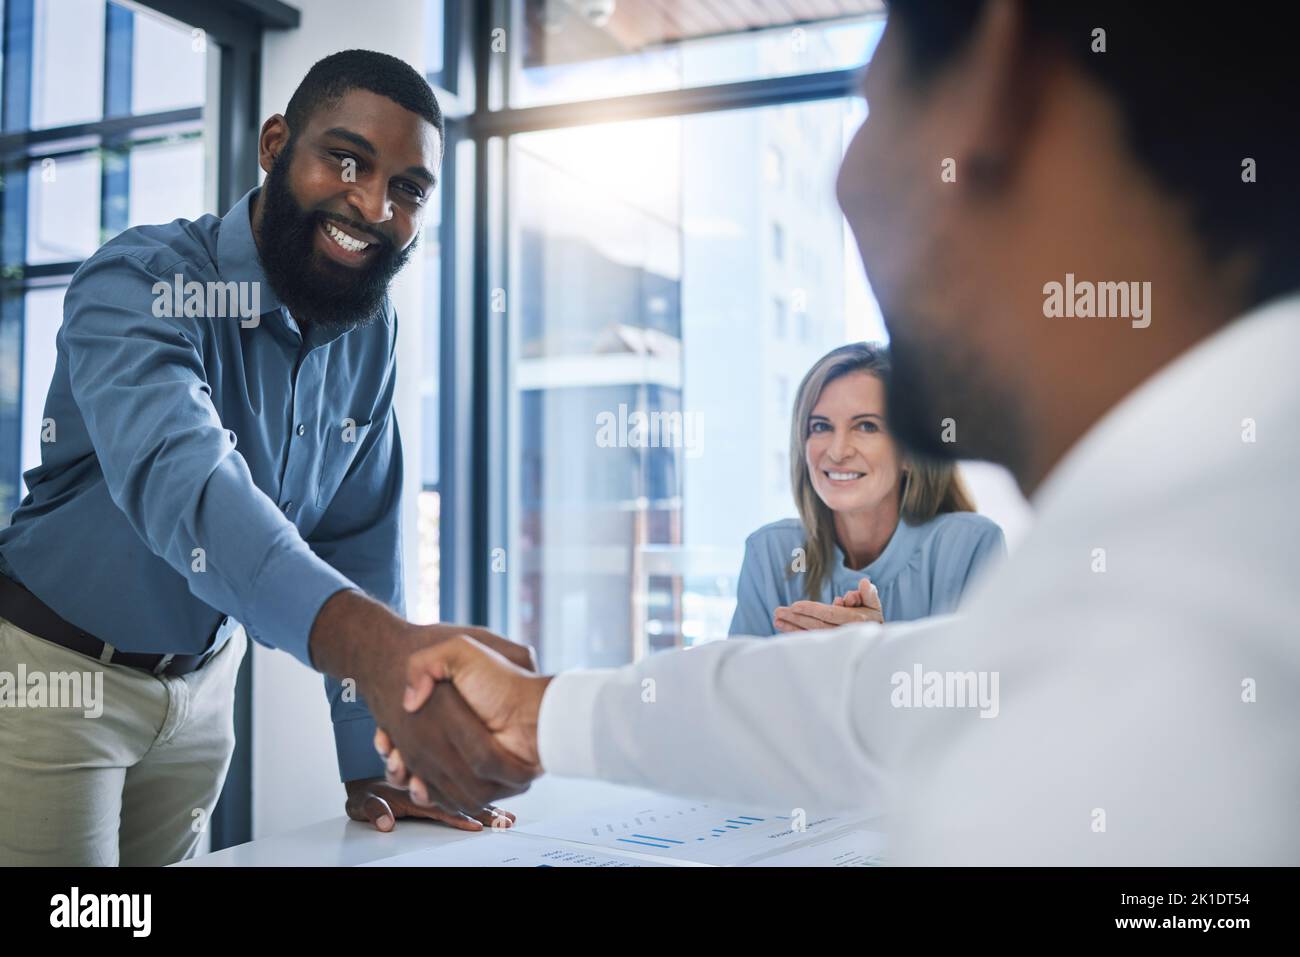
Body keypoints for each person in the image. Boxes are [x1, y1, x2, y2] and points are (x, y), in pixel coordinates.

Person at [376, 1, 1300, 864]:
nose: (847, 185)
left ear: (995, 77)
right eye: (823, 424)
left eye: (868, 104)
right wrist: (545, 713)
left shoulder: (1162, 651)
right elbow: (879, 694)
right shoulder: (1205, 555)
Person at [0, 50, 531, 866]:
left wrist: (374, 755)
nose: (372, 202)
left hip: (205, 687)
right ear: (276, 143)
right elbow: (191, 488)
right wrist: (380, 647)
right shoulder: (141, 280)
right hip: (52, 676)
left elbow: (359, 536)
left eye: (408, 189)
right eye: (345, 159)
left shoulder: (370, 330)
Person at [729, 342, 1003, 637]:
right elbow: (740, 682)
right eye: (821, 427)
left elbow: (986, 680)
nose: (837, 451)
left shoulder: (969, 547)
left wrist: (876, 649)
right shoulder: (770, 553)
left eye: (866, 426)